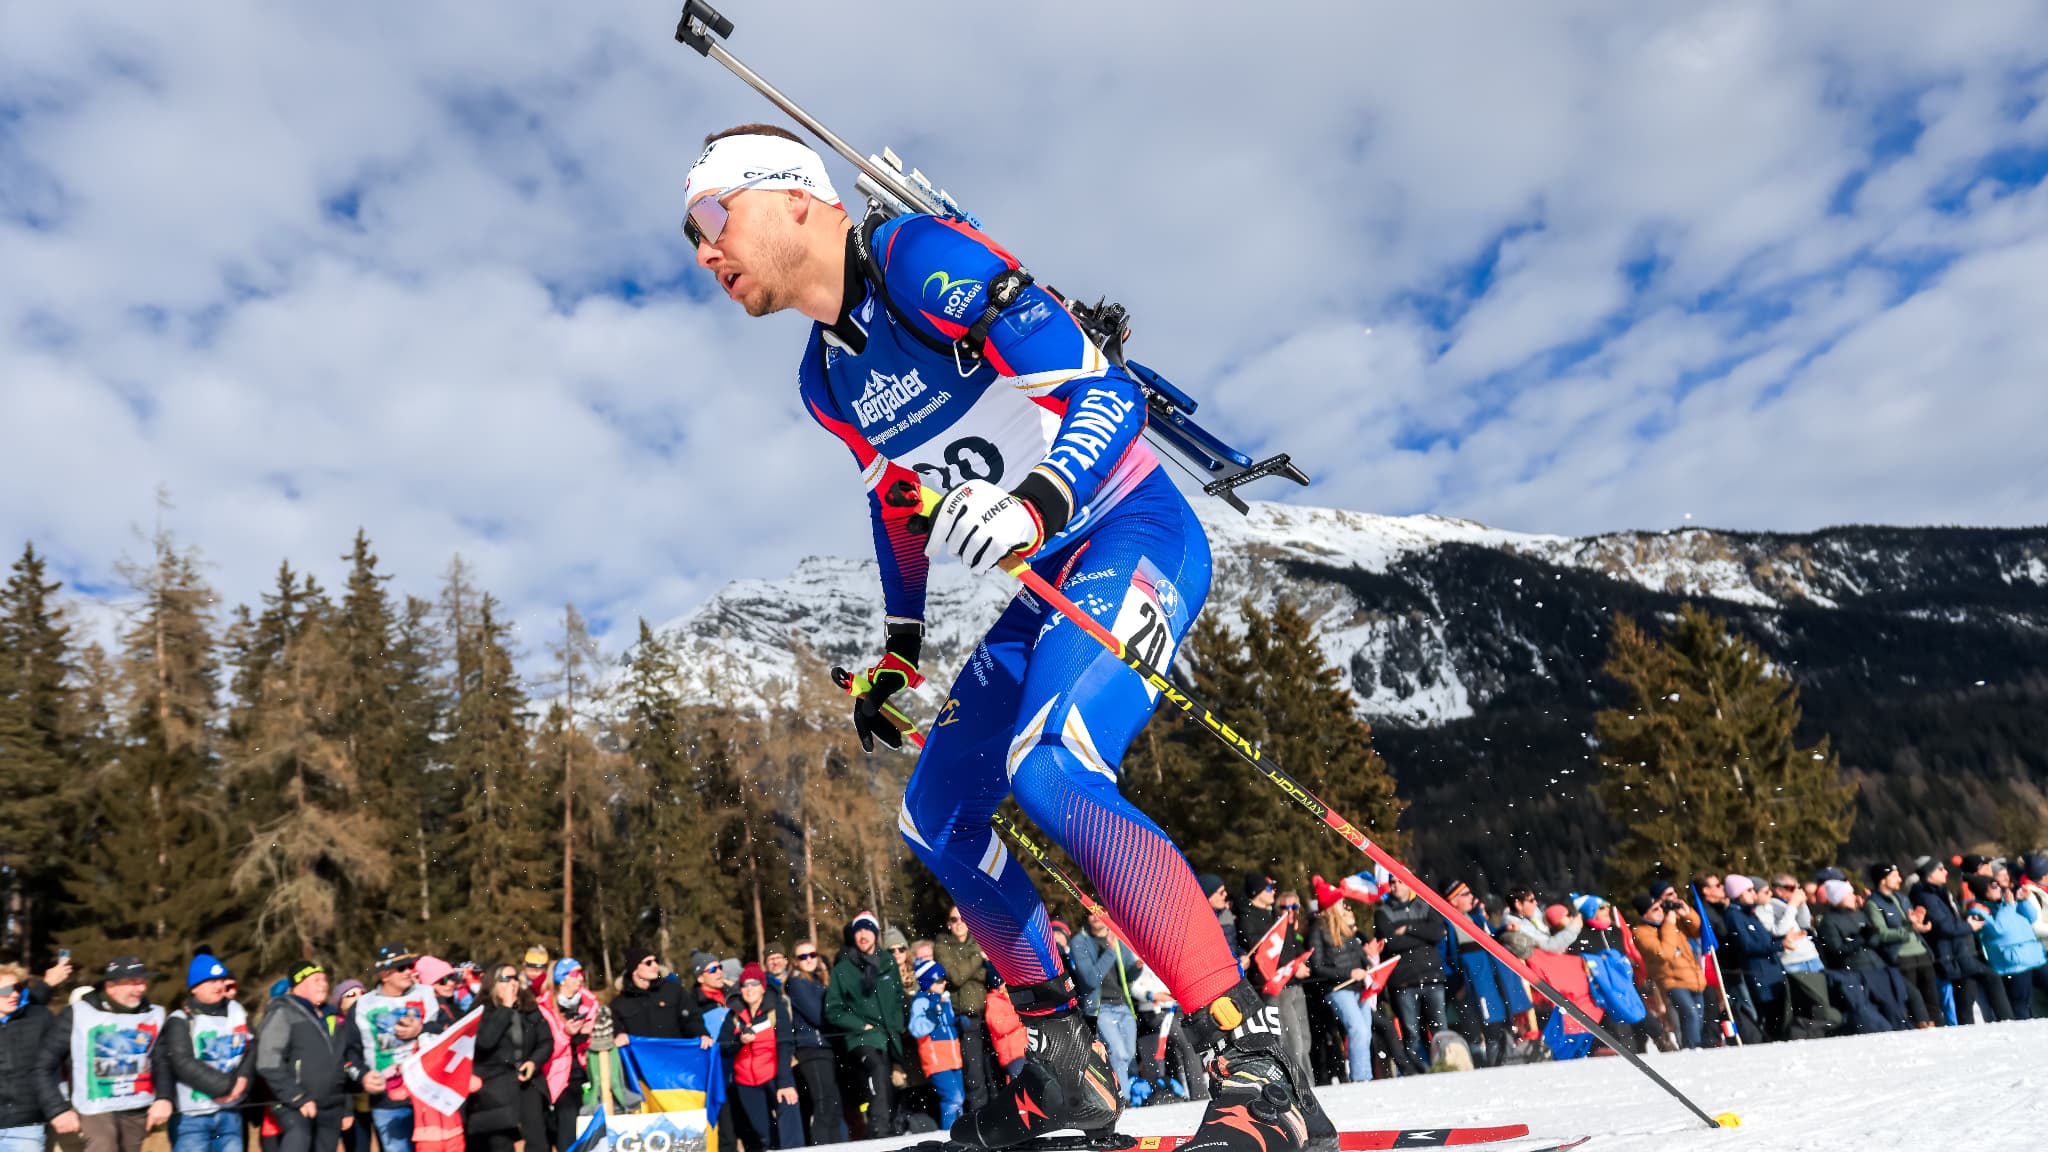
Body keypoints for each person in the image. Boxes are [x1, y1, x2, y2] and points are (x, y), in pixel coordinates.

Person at [680, 125, 1333, 1151]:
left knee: (1049, 768)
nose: (705, 251)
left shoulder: (915, 260)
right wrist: (899, 649)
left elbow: (1103, 392)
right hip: (1046, 584)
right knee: (936, 815)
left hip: (1129, 531)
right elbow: (895, 505)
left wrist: (1035, 500)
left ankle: (1253, 1060)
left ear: (794, 198)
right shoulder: (824, 379)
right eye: (691, 238)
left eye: (712, 218)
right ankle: (1062, 1064)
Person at [38, 956, 172, 1152]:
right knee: (104, 1146)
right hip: (94, 1106)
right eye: (133, 982)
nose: (141, 988)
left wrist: (164, 1097)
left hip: (136, 1107)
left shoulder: (152, 1014)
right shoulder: (77, 1014)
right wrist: (57, 1110)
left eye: (143, 982)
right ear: (111, 986)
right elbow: (42, 1066)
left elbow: (161, 1061)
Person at [344, 945, 435, 1152]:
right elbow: (349, 1054)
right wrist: (363, 1076)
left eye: (410, 965)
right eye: (401, 967)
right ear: (384, 974)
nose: (409, 971)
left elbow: (448, 1029)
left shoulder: (426, 994)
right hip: (388, 1101)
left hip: (427, 1097)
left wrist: (422, 1029)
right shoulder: (361, 1007)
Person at [161, 951, 253, 1152]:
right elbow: (182, 1062)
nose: (219, 986)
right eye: (211, 981)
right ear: (195, 988)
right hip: (193, 1118)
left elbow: (251, 1047)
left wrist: (243, 1078)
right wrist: (226, 1087)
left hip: (229, 1115)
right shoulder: (180, 1019)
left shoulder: (237, 1011)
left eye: (221, 980)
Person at [823, 913, 904, 1139]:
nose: (863, 934)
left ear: (876, 934)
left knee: (890, 1081)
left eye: (868, 929)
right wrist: (860, 1025)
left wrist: (898, 1028)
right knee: (876, 1069)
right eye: (858, 930)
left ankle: (895, 1125)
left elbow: (897, 999)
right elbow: (833, 1009)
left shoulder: (888, 962)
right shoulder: (843, 969)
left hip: (889, 1036)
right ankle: (879, 1129)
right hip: (861, 1037)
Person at [255, 962, 350, 1152]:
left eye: (324, 979)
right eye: (316, 980)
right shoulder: (283, 1012)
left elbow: (343, 1062)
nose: (323, 984)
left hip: (331, 1106)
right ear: (298, 984)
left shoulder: (331, 1015)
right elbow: (268, 1061)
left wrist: (346, 1106)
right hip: (295, 1104)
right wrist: (297, 1097)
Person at [1306, 880, 1384, 1083]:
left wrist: (1369, 963)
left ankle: (1365, 1076)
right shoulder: (1318, 929)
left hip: (1359, 988)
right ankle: (1360, 1079)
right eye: (1340, 902)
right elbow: (1317, 966)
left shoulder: (1347, 929)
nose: (1344, 905)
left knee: (1365, 1033)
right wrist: (1349, 972)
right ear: (1332, 905)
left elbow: (1359, 956)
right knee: (1357, 1030)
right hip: (1339, 989)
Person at [466, 966, 548, 1152]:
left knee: (538, 1142)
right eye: (506, 979)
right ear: (493, 983)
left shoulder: (528, 1006)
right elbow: (485, 1042)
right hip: (494, 1088)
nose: (513, 983)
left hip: (527, 1082)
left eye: (516, 978)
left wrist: (534, 1062)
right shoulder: (480, 1010)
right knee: (500, 1144)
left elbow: (546, 1041)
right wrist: (504, 1008)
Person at [718, 965, 798, 1152]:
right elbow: (723, 1046)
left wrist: (785, 1081)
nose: (749, 989)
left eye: (754, 984)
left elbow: (785, 1045)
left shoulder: (776, 1009)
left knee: (790, 1134)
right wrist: (739, 1041)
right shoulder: (734, 1015)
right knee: (764, 1135)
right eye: (744, 985)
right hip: (746, 1082)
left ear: (762, 986)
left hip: (776, 1076)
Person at [1911, 858, 1999, 1024]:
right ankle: (2007, 1020)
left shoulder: (1941, 892)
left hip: (1959, 953)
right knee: (1983, 984)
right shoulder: (1927, 897)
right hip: (1950, 956)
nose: (1946, 872)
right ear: (1929, 874)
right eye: (1940, 869)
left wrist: (1966, 921)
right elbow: (1944, 926)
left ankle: (1969, 1031)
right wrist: (1968, 926)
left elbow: (1952, 919)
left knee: (1965, 1001)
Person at [1374, 876, 1449, 1070]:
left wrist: (1408, 928)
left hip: (1432, 977)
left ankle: (1446, 1066)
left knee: (1440, 1029)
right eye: (1393, 883)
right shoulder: (1382, 913)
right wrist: (1422, 937)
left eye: (1400, 881)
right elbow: (1389, 943)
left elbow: (1438, 933)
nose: (1396, 886)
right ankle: (1418, 1071)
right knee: (1412, 1034)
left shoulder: (1425, 906)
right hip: (1403, 982)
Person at [1067, 912, 1142, 1102]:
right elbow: (1091, 980)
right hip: (1101, 1009)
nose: (1095, 916)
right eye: (1090, 913)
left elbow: (1128, 974)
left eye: (1099, 912)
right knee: (1117, 1052)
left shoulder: (1116, 937)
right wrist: (1110, 950)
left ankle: (1112, 1092)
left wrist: (1137, 968)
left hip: (1123, 1005)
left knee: (1129, 1054)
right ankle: (1122, 1098)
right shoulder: (1080, 942)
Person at [2, 959, 70, 1152]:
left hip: (26, 1126)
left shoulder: (38, 1017)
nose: (14, 994)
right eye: (6, 991)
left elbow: (62, 1059)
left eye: (17, 988)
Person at [931, 907, 993, 1117]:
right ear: (948, 923)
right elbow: (956, 976)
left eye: (963, 918)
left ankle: (1001, 1116)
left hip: (990, 1015)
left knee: (993, 1071)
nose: (959, 923)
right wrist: (978, 958)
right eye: (954, 919)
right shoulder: (942, 946)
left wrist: (970, 967)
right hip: (966, 1017)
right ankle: (980, 1118)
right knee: (974, 1075)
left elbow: (987, 974)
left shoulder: (979, 939)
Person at [1812, 880, 1895, 1034]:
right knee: (1868, 1012)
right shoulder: (1828, 921)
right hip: (1856, 971)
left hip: (1877, 968)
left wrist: (1872, 935)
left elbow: (1875, 941)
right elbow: (1837, 950)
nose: (1853, 897)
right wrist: (1861, 938)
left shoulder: (1860, 914)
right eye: (1848, 894)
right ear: (1838, 898)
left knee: (1891, 1007)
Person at [783, 941, 845, 1146]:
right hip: (812, 1049)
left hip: (827, 1047)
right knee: (824, 1103)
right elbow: (818, 1015)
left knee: (834, 1105)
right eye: (803, 957)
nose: (808, 959)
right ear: (795, 961)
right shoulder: (797, 983)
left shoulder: (819, 981)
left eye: (812, 954)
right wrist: (840, 1015)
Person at [1864, 864, 1940, 1027]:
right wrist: (1908, 928)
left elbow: (1911, 923)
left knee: (1933, 1001)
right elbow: (1882, 933)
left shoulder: (1902, 898)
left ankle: (1939, 1029)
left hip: (1922, 953)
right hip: (1902, 957)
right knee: (1913, 1004)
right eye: (1895, 876)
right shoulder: (1873, 903)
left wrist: (1920, 922)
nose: (1900, 879)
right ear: (1883, 880)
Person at [1630, 889, 1705, 1050]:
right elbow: (1664, 953)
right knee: (1689, 1014)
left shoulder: (1672, 921)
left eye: (1661, 908)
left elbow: (1699, 931)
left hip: (1693, 976)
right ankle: (1691, 1049)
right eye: (1655, 910)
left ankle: (1694, 1047)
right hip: (1671, 981)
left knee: (1698, 1018)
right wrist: (1669, 924)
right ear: (1645, 915)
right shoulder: (1641, 932)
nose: (1661, 913)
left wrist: (1687, 914)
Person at [1966, 874, 2046, 1020]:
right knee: (2021, 1004)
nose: (1999, 889)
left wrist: (2023, 901)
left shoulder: (2007, 903)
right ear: (1984, 891)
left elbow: (2031, 917)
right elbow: (1999, 930)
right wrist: (2009, 906)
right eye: (1994, 886)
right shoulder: (1978, 910)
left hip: (2035, 957)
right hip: (2013, 963)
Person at [542, 959, 598, 1152]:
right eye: (574, 974)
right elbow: (546, 1048)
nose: (580, 978)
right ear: (561, 979)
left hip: (589, 1073)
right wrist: (567, 1033)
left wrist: (592, 1033)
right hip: (558, 1077)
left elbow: (598, 1041)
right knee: (567, 1114)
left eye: (581, 973)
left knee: (598, 1112)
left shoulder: (589, 1003)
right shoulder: (544, 1007)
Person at [908, 962, 965, 1130]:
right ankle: (950, 1135)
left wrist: (958, 1024)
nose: (944, 983)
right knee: (952, 1098)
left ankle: (959, 1134)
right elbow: (915, 1029)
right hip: (937, 1059)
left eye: (944, 979)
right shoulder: (921, 1001)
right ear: (928, 982)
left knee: (960, 1097)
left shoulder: (944, 999)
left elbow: (948, 1026)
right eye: (939, 980)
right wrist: (930, 1019)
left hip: (953, 1057)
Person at [609, 950, 710, 1044]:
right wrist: (618, 1035)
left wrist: (701, 1034)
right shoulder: (619, 1004)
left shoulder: (674, 991)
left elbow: (691, 1019)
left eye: (656, 961)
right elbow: (615, 1029)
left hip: (675, 1057)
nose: (655, 965)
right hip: (642, 1060)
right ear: (634, 969)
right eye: (648, 963)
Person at [1502, 888, 1580, 954]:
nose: (1536, 903)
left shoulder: (1529, 914)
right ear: (1518, 904)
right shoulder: (1516, 928)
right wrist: (1573, 929)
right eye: (1531, 900)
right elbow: (1548, 945)